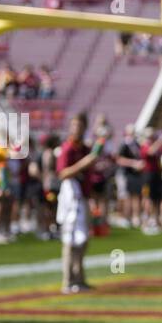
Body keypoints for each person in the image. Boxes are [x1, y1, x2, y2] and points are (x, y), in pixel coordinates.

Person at [56, 115, 98, 293]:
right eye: (73, 125)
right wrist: (83, 164)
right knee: (70, 239)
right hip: (71, 200)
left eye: (79, 126)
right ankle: (68, 280)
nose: (76, 129)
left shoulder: (85, 148)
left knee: (83, 239)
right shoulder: (67, 149)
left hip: (83, 197)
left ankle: (79, 276)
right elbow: (63, 173)